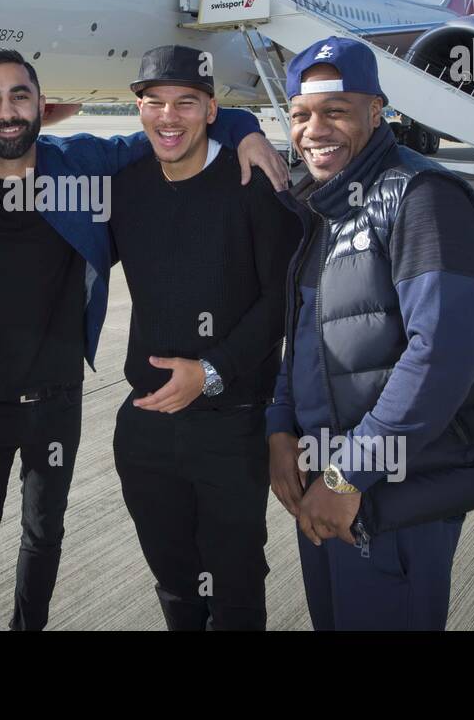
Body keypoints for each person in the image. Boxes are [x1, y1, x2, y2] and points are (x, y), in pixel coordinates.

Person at [0, 47, 288, 630]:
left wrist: (243, 126)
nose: (7, 111)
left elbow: (170, 126)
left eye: (20, 96)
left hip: (58, 399)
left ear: (44, 105)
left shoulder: (82, 163)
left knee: (44, 541)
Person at [266, 35, 474, 630]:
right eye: (300, 115)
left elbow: (441, 359)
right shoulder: (323, 204)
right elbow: (305, 336)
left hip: (395, 486)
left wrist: (348, 475)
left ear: (376, 111)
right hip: (327, 480)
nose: (314, 130)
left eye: (336, 111)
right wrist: (280, 429)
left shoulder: (423, 198)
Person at [108, 45, 302, 630]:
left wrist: (212, 370)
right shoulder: (125, 186)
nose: (169, 117)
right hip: (145, 425)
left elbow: (283, 298)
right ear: (140, 110)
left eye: (186, 103)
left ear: (212, 111)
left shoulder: (253, 184)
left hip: (230, 424)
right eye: (155, 102)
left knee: (235, 586)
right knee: (174, 583)